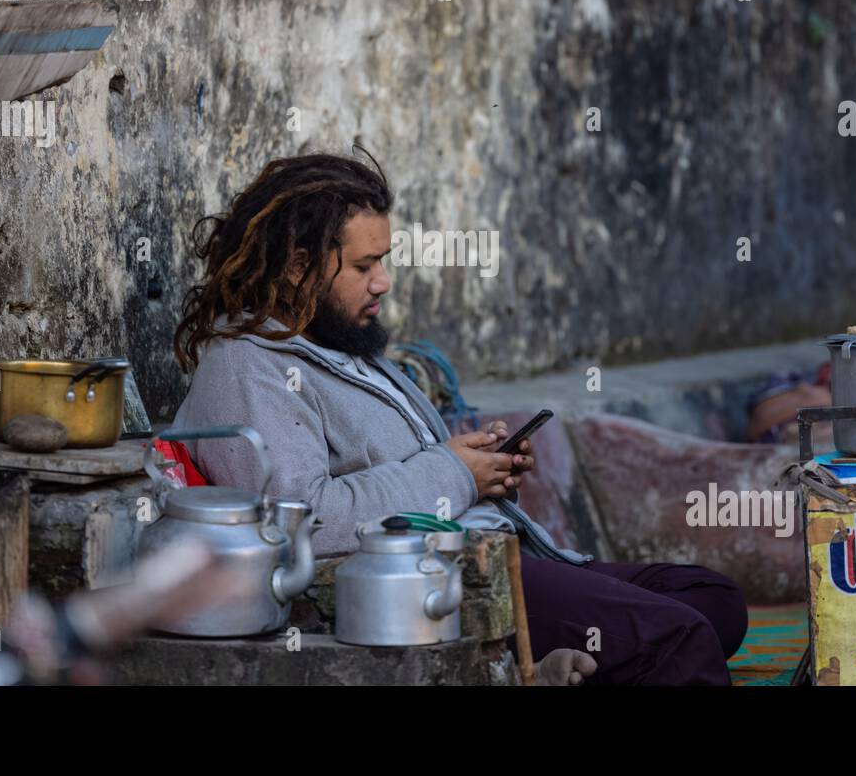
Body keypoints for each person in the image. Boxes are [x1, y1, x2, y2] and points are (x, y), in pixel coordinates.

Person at [171, 151, 746, 685]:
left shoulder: (335, 342)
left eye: (384, 261)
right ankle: (539, 665)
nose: (383, 282)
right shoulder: (249, 368)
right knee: (681, 639)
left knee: (713, 600)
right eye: (365, 265)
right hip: (439, 582)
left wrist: (482, 464)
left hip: (497, 548)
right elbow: (304, 525)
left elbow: (412, 471)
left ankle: (549, 670)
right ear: (298, 267)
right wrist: (454, 473)